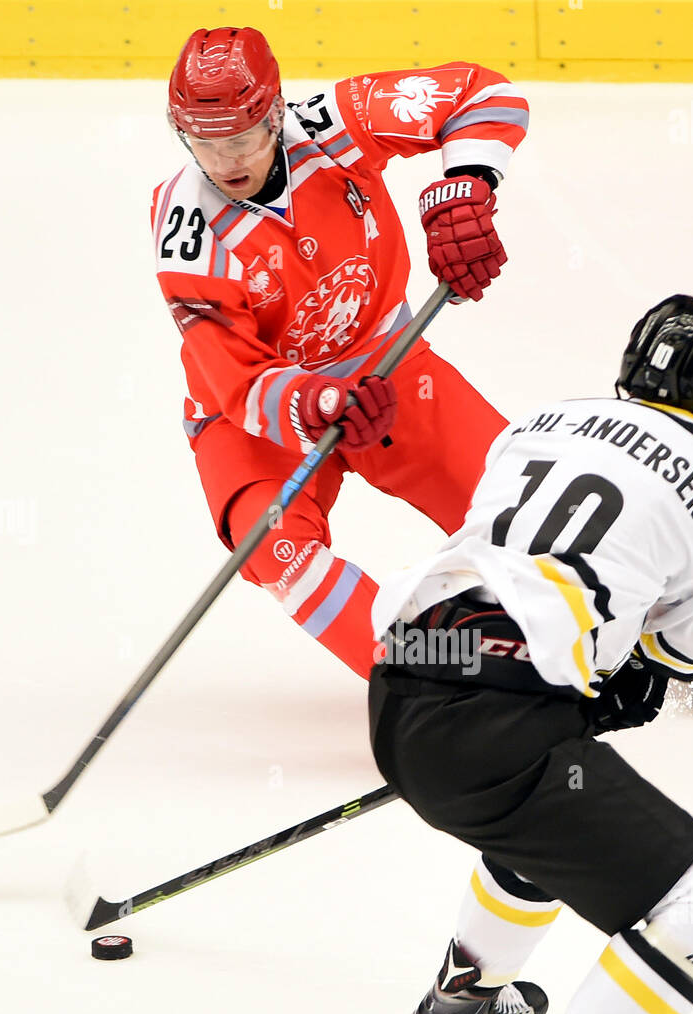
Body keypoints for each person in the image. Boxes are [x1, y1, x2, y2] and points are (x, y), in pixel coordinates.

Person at [368, 294, 693, 1014]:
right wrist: (636, 673)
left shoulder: (536, 424)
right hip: (494, 728)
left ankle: (465, 994)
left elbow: (507, 557)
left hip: (403, 685)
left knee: (551, 808)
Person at [152, 26, 528, 677]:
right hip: (259, 421)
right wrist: (318, 401)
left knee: (526, 504)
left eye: (240, 137)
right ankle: (419, 676)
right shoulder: (186, 228)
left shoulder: (333, 124)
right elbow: (236, 382)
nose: (224, 162)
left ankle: (627, 627)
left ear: (275, 114)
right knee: (274, 548)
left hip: (392, 369)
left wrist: (463, 189)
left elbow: (483, 94)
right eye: (203, 144)